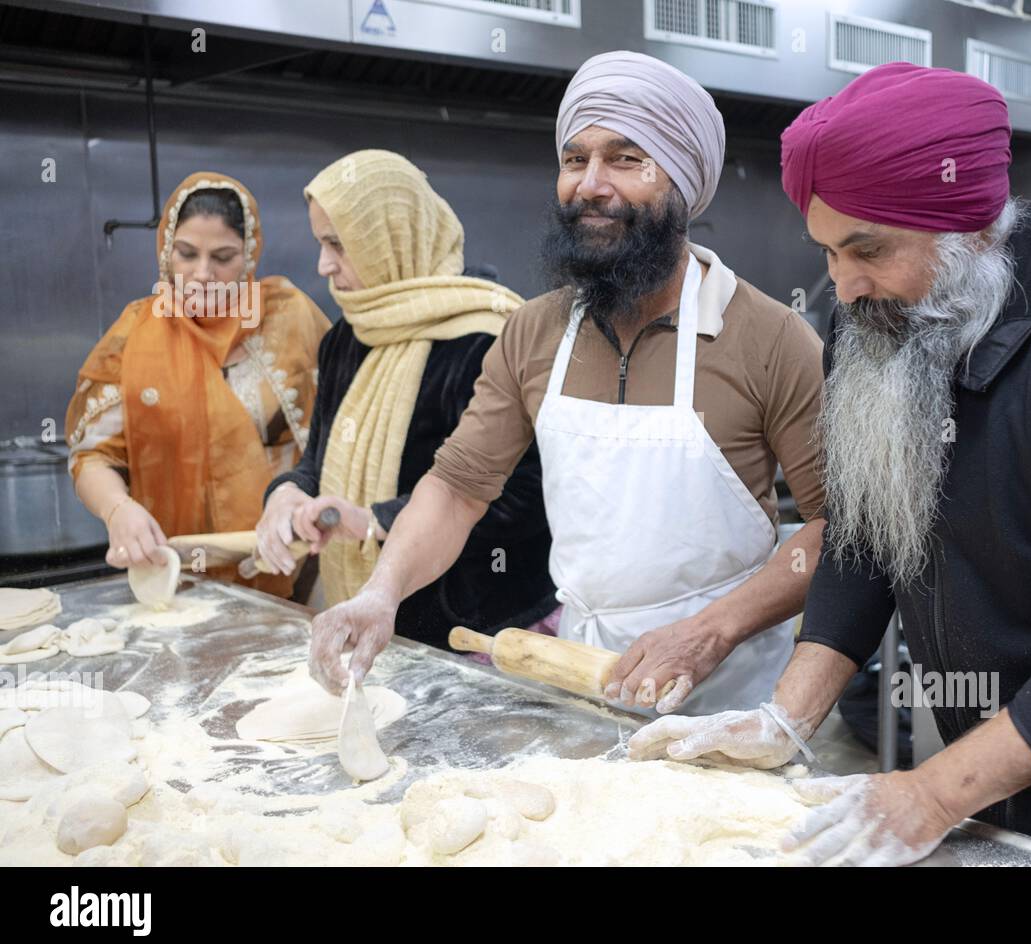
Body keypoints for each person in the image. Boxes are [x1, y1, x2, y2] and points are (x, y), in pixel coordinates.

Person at [631, 63, 1031, 867]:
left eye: (868, 249)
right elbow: (864, 534)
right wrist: (784, 717)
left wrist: (931, 794)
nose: (844, 287)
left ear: (974, 229)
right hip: (988, 788)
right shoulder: (876, 322)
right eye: (825, 252)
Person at [307, 53, 828, 715]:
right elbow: (458, 490)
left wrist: (709, 632)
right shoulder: (534, 332)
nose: (591, 185)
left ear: (683, 179)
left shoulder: (768, 337)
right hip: (580, 679)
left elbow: (835, 532)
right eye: (576, 159)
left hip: (722, 695)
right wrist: (381, 592)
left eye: (626, 158)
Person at [256, 150, 556, 646]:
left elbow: (525, 497)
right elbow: (319, 459)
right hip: (376, 621)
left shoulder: (485, 340)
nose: (323, 264)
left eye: (338, 244)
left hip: (478, 630)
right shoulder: (346, 339)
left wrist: (376, 519)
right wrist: (287, 493)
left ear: (389, 240)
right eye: (320, 243)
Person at [67, 172, 330, 598]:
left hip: (293, 574)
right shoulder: (135, 335)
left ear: (249, 255)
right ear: (166, 251)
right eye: (186, 254)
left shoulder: (288, 319)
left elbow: (339, 436)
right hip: (175, 576)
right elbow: (93, 454)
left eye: (223, 256)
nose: (202, 274)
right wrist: (118, 510)